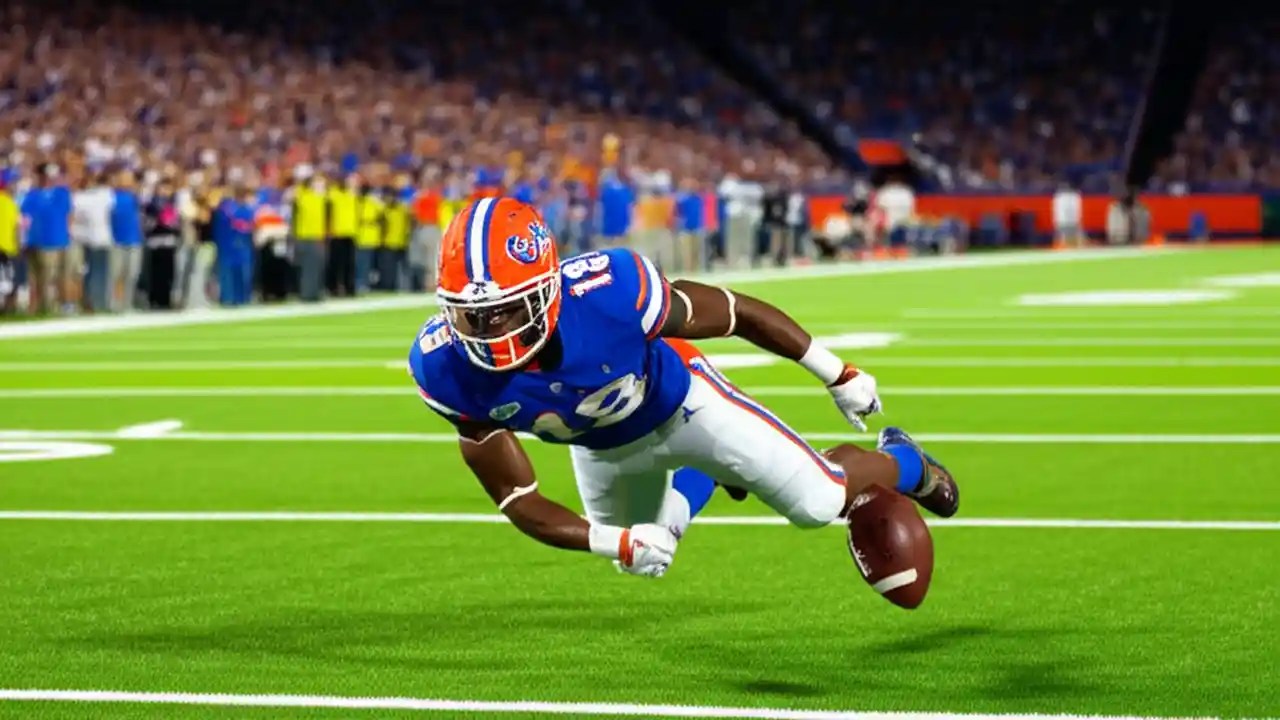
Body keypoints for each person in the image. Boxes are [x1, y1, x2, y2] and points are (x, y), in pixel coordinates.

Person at [408, 198, 958, 578]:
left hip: (685, 404)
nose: (491, 332)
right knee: (644, 555)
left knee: (819, 502)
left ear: (549, 288)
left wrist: (834, 371)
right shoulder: (445, 371)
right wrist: (616, 543)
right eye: (474, 316)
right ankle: (706, 474)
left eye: (507, 311)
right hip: (602, 449)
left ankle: (903, 461)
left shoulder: (610, 290)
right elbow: (519, 501)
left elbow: (735, 312)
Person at [72, 171, 117, 313]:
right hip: (88, 240)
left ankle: (97, 303)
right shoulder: (82, 197)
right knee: (91, 274)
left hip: (96, 240)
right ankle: (92, 303)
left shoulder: (100, 195)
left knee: (96, 273)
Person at [110, 170, 145, 312]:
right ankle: (115, 303)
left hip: (134, 239)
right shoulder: (112, 197)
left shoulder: (135, 197)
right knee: (117, 273)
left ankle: (128, 303)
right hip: (117, 240)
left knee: (132, 273)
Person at [143, 179, 181, 310]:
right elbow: (148, 224)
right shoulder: (151, 205)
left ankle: (166, 299)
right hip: (156, 241)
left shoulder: (171, 204)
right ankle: (154, 300)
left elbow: (176, 224)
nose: (164, 192)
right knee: (155, 273)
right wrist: (158, 219)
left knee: (168, 272)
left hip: (169, 241)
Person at [0, 173, 18, 314]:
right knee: (5, 280)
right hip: (6, 247)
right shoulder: (11, 204)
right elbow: (16, 227)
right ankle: (5, 309)